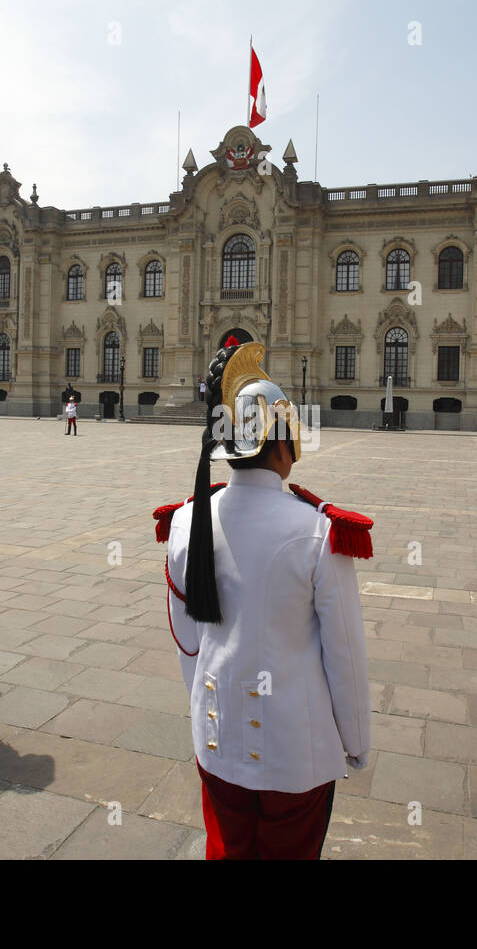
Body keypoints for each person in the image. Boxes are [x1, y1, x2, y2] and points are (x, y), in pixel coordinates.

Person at [154, 339, 372, 859]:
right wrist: (356, 742)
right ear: (283, 443)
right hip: (294, 750)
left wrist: (204, 702)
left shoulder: (187, 520)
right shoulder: (318, 532)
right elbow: (344, 656)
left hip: (215, 735)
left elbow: (188, 642)